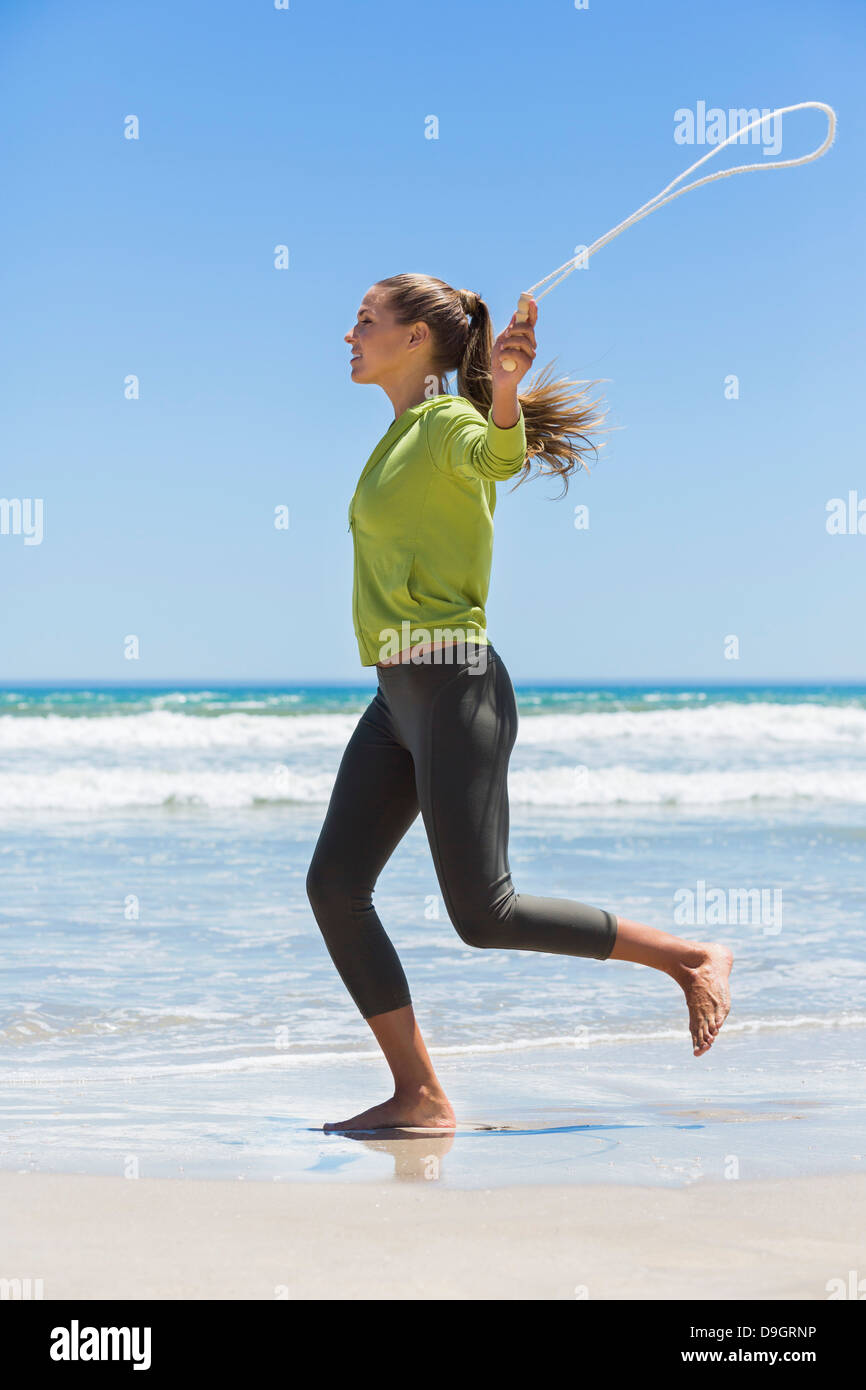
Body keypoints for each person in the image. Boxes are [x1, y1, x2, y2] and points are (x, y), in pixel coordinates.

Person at [306, 273, 733, 1131]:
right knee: (335, 885)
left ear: (417, 338)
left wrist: (503, 396)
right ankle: (420, 1095)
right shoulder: (400, 434)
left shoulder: (450, 424)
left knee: (484, 914)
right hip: (398, 696)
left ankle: (688, 955)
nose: (346, 335)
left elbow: (499, 454)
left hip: (457, 686)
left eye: (364, 320)